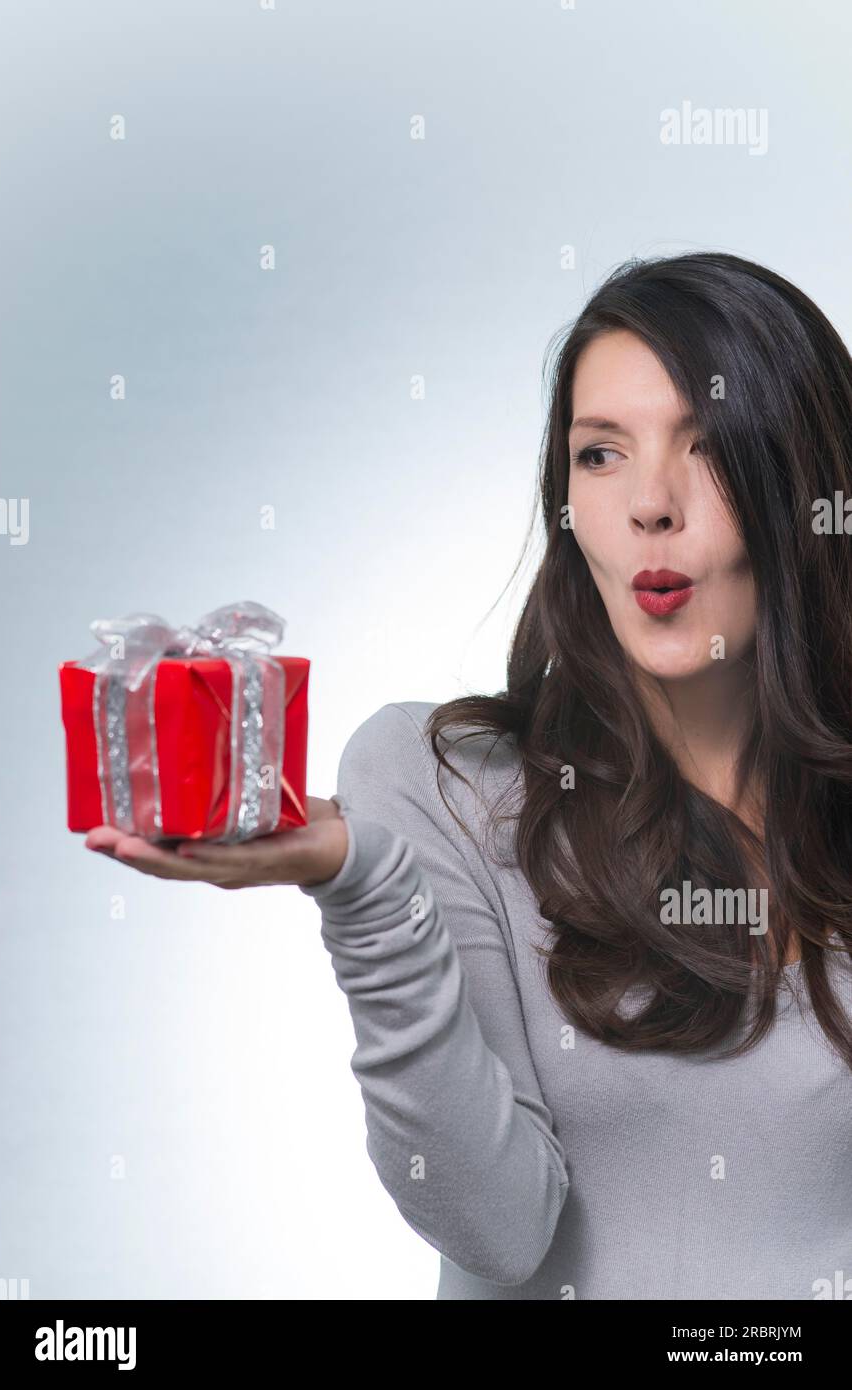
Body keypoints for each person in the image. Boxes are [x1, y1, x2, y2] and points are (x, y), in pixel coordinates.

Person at [85, 252, 852, 1300]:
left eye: (708, 449)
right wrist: (364, 888)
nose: (650, 505)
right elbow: (498, 1228)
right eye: (600, 455)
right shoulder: (441, 783)